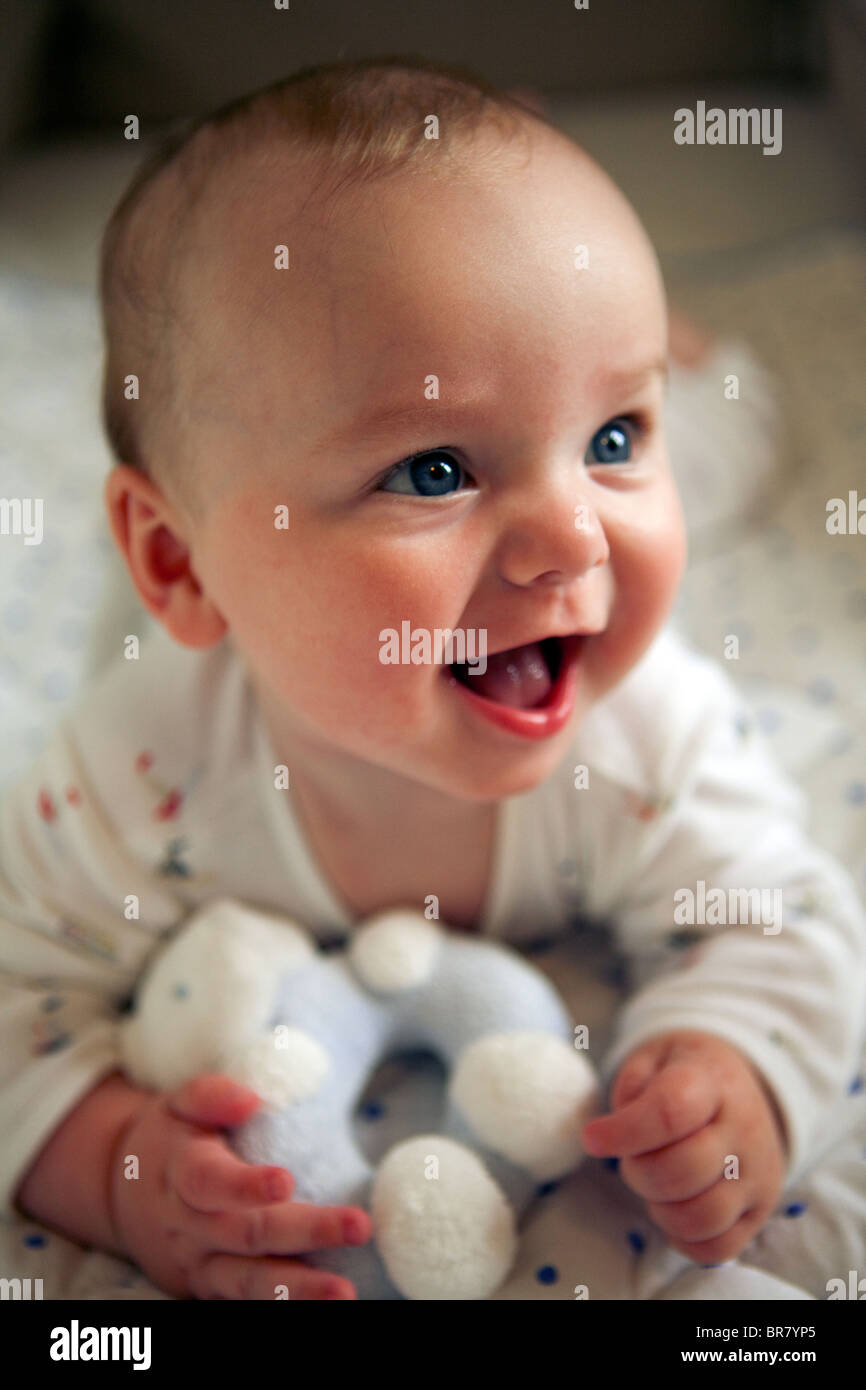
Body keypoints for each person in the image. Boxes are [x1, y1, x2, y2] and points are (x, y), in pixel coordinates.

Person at [3, 56, 865, 1301]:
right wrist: (119, 1168)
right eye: (432, 471)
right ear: (183, 561)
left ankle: (692, 375)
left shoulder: (645, 733)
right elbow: (16, 990)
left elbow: (782, 917)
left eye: (617, 435)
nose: (570, 537)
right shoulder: (134, 776)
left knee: (713, 450)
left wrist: (729, 1066)